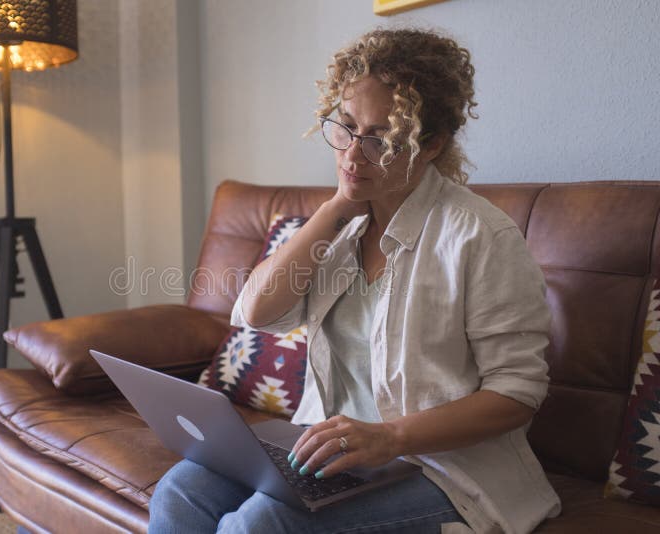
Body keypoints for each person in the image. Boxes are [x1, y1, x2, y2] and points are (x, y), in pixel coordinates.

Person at [149, 28, 561, 533]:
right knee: (179, 492)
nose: (352, 155)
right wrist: (335, 208)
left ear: (430, 144)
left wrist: (391, 437)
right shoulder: (343, 229)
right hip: (331, 453)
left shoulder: (481, 237)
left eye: (382, 139)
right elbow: (257, 312)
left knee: (260, 526)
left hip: (442, 468)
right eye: (345, 128)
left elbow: (516, 394)